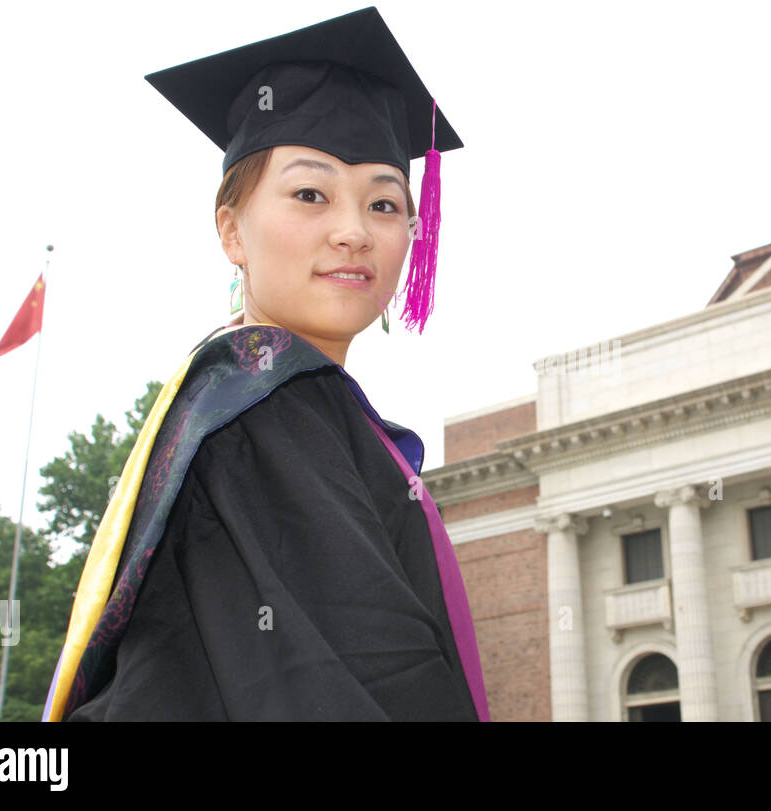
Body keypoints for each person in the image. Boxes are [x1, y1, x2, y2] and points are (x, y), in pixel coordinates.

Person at [41, 7, 489, 721]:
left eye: (384, 202)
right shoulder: (263, 412)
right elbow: (356, 681)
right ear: (231, 230)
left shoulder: (281, 404)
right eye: (310, 194)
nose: (353, 231)